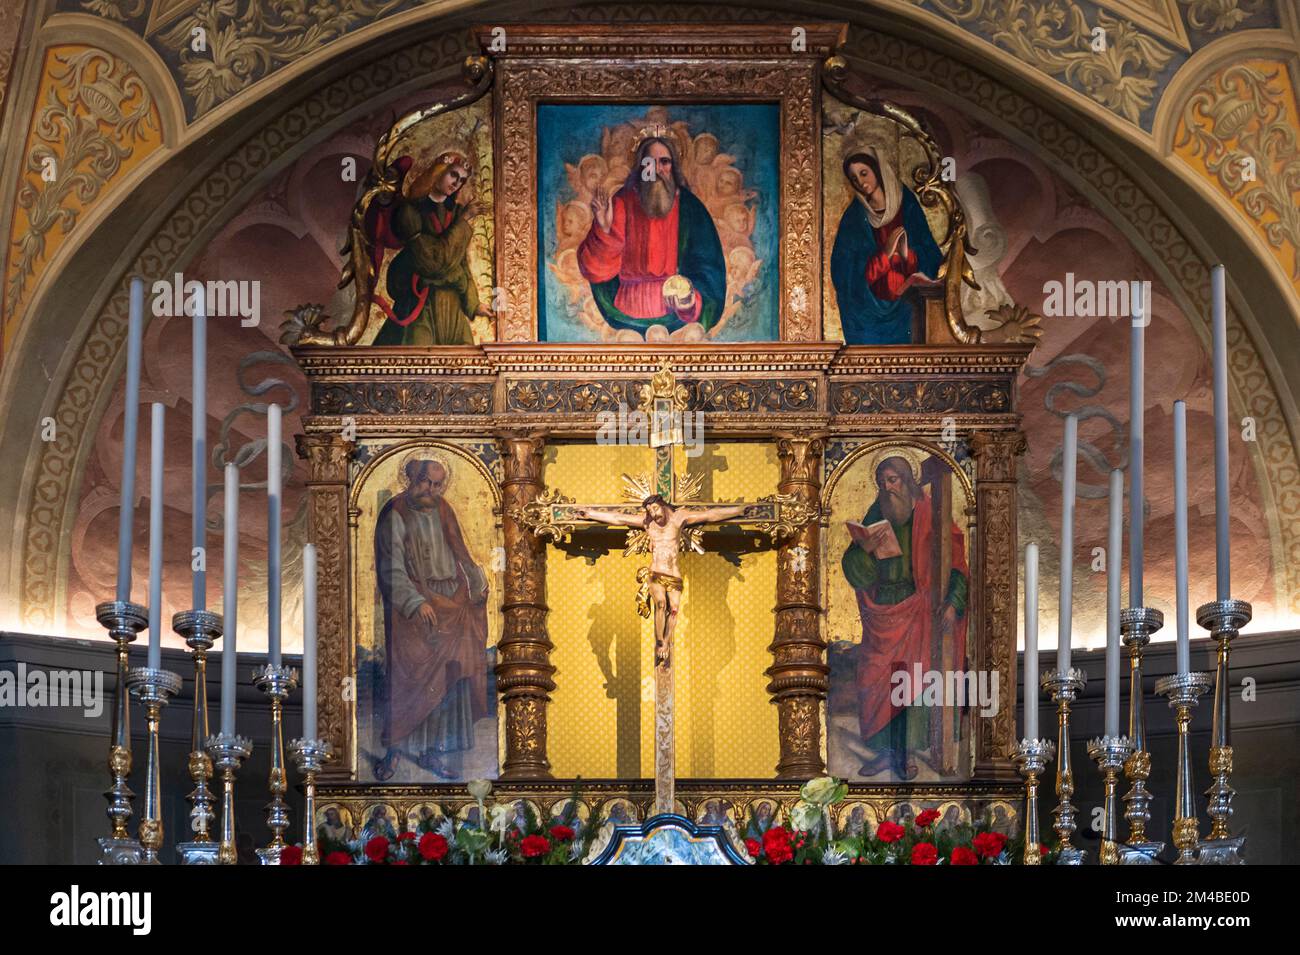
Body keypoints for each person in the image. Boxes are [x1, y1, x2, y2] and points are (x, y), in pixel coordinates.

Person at [843, 456, 968, 779]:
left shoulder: (931, 514)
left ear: (909, 479)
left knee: (913, 681)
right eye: (883, 481)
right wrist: (865, 549)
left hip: (920, 609)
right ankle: (886, 753)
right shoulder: (877, 513)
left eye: (894, 479)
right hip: (883, 607)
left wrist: (953, 602)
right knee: (874, 676)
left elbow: (958, 565)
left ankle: (909, 752)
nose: (888, 487)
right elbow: (854, 567)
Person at [374, 458, 489, 781]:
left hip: (451, 601)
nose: (432, 490)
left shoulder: (442, 508)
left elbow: (460, 551)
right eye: (426, 482)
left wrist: (477, 582)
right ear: (411, 478)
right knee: (409, 680)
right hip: (412, 607)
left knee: (449, 675)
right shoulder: (395, 513)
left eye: (438, 484)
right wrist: (415, 602)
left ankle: (435, 751)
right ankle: (395, 750)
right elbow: (390, 566)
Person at [577, 135, 726, 337]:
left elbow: (707, 267)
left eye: (664, 162)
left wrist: (689, 301)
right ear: (641, 166)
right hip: (626, 311)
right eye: (650, 162)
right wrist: (604, 230)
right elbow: (597, 270)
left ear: (672, 166)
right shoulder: (622, 201)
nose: (657, 169)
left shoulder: (690, 207)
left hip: (675, 314)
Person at [576, 494, 746, 668]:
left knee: (673, 610)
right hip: (656, 571)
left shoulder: (681, 517)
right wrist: (590, 514)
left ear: (663, 505)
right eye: (650, 511)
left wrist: (738, 511)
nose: (654, 514)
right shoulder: (647, 522)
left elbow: (710, 515)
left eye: (655, 508)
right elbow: (619, 518)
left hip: (674, 572)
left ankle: (666, 640)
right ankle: (660, 643)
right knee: (660, 604)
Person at [373, 151, 492, 345]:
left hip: (452, 306)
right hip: (421, 304)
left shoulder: (453, 214)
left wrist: (473, 304)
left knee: (467, 367)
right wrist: (463, 221)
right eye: (453, 174)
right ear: (438, 171)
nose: (456, 184)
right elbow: (433, 261)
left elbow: (459, 261)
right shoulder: (410, 212)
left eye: (461, 180)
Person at [830, 147, 942, 344]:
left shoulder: (906, 205)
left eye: (864, 173)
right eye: (854, 178)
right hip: (867, 319)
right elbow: (843, 273)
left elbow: (932, 257)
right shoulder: (854, 218)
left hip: (907, 312)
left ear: (877, 170)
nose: (861, 182)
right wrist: (884, 255)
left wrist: (908, 255)